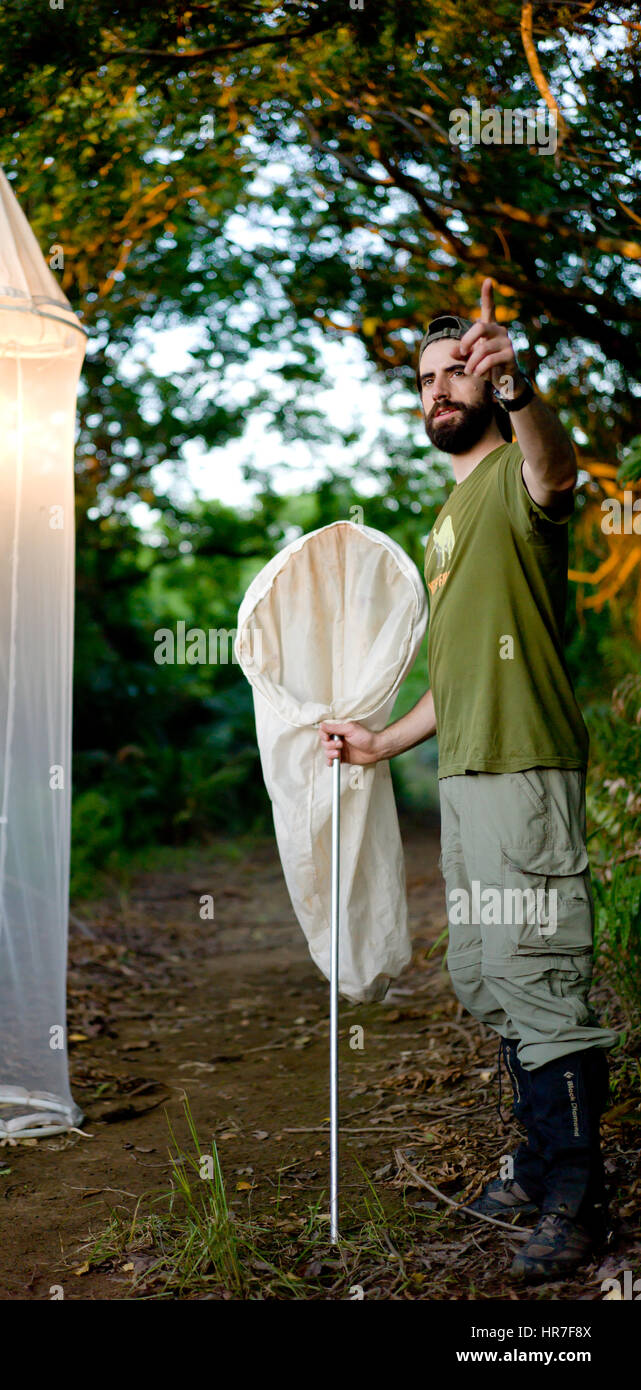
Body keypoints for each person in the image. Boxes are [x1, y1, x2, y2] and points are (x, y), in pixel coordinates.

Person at [319, 279, 618, 1283]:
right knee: (488, 976)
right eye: (426, 379)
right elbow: (451, 682)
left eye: (459, 371)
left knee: (541, 982)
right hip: (469, 773)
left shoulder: (517, 478)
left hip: (527, 771)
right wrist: (378, 743)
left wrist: (520, 383)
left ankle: (579, 1196)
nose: (439, 389)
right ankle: (537, 1168)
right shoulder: (448, 517)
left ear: (489, 383)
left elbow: (557, 465)